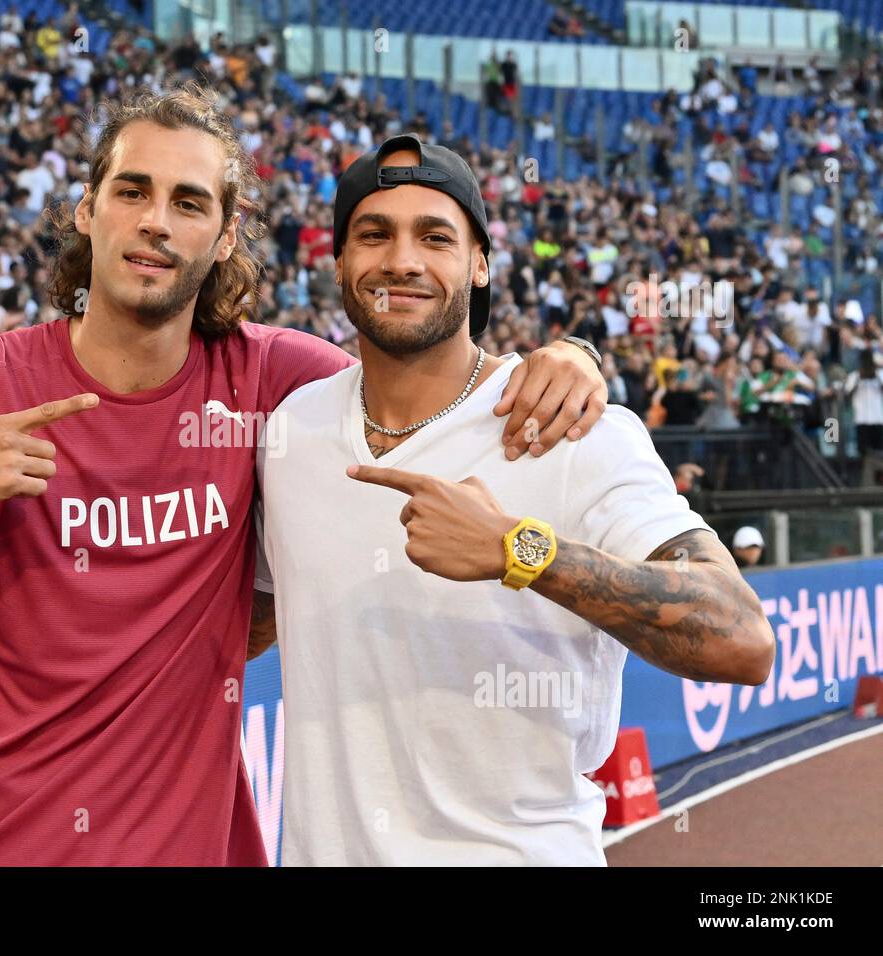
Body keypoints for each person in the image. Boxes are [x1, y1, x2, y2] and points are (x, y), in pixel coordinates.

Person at [0, 86, 608, 867]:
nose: (156, 221)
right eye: (133, 191)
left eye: (189, 202)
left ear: (225, 234)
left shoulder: (280, 384)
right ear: (88, 211)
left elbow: (424, 375)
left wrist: (575, 354)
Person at [252, 136, 773, 865]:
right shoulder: (291, 432)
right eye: (373, 234)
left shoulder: (571, 428)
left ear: (480, 263)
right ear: (338, 263)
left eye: (435, 237)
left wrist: (522, 553)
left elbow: (743, 638)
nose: (401, 260)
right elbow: (248, 618)